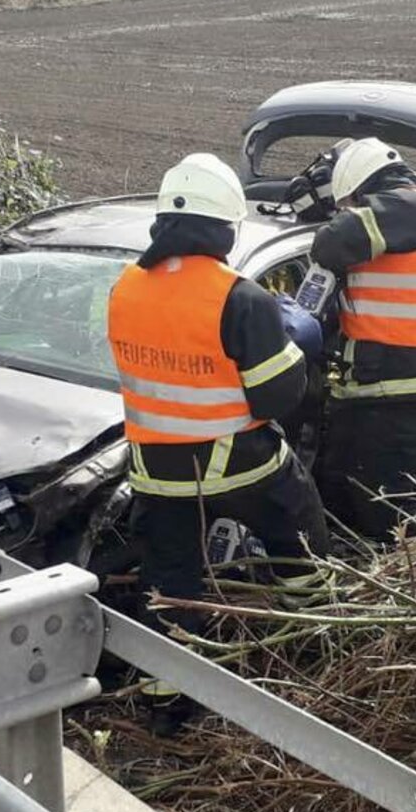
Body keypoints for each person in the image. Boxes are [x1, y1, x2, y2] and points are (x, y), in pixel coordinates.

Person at [106, 154, 329, 725]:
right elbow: (277, 396)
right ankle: (315, 655)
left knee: (171, 585)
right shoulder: (240, 297)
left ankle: (168, 707)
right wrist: (294, 342)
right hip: (241, 464)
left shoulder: (125, 288)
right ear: (226, 227)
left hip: (156, 472)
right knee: (300, 541)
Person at [308, 138, 416, 540]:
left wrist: (323, 215)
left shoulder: (406, 206)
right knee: (341, 485)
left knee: (385, 500)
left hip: (400, 380)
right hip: (386, 382)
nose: (348, 210)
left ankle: (411, 579)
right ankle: (358, 567)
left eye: (350, 203)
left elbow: (330, 244)